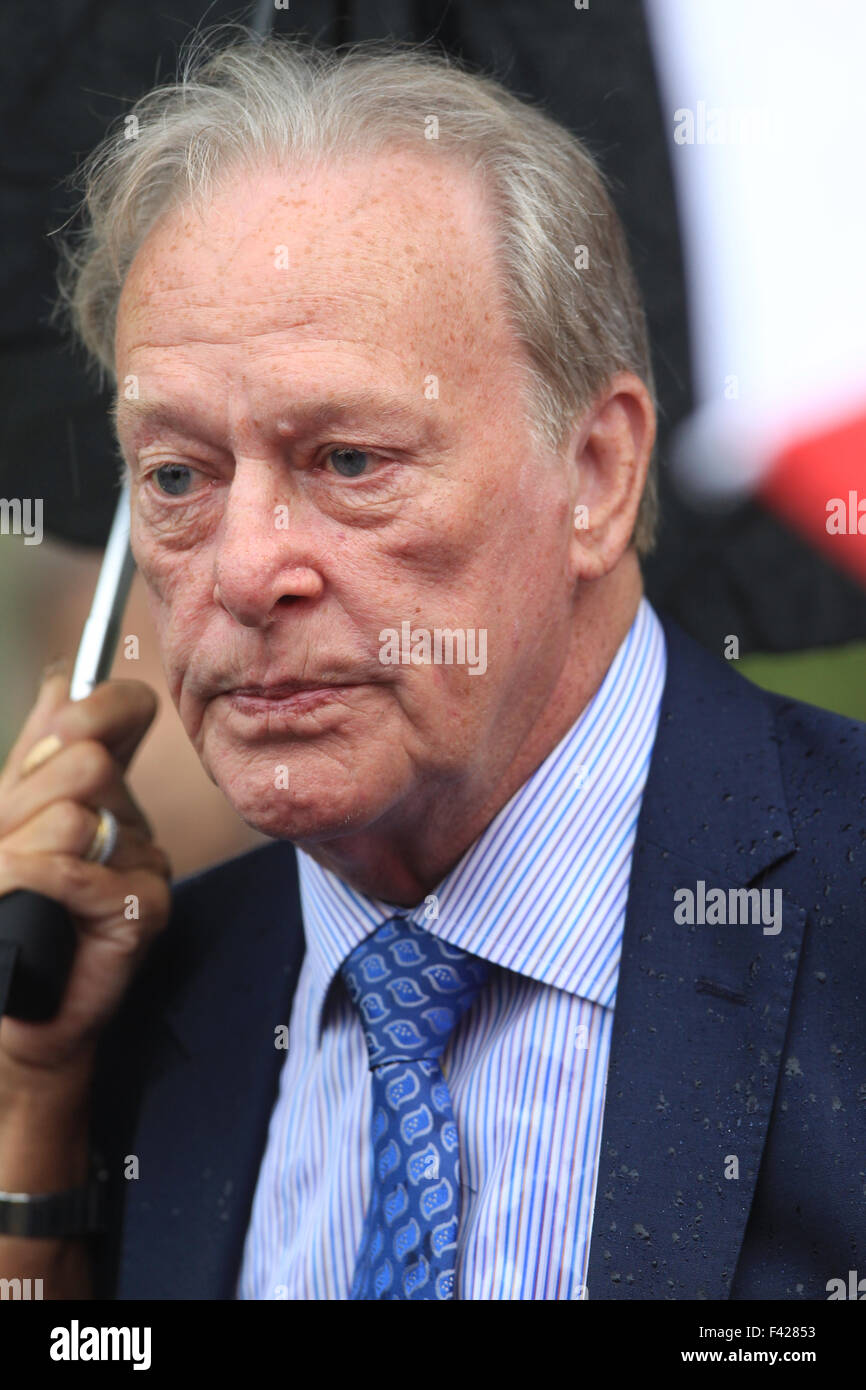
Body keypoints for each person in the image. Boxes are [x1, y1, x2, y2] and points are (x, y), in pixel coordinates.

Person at [0, 33, 863, 1303]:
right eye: (178, 476)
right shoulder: (119, 1010)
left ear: (594, 473)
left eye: (347, 460)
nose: (245, 573)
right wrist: (33, 1120)